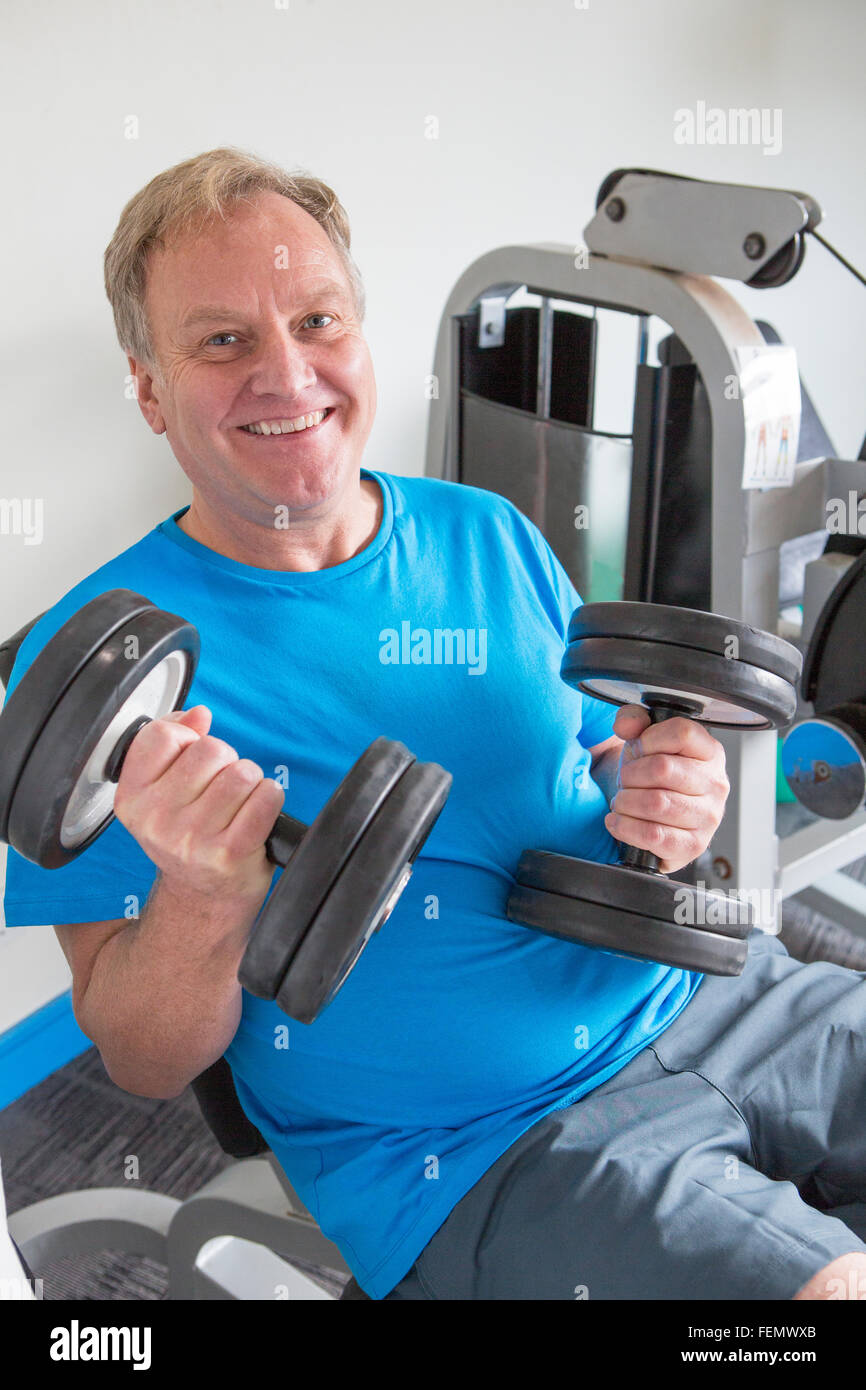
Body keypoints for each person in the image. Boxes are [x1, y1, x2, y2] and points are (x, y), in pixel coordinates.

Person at [4, 148, 865, 1301]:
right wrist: (205, 895)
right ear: (150, 390)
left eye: (316, 320)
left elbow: (594, 773)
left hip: (719, 990)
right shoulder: (107, 673)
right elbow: (142, 1059)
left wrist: (664, 804)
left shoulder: (486, 531)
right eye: (221, 342)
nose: (286, 373)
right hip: (489, 1147)